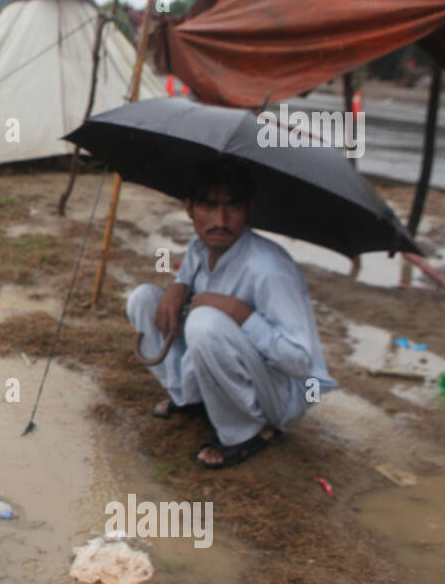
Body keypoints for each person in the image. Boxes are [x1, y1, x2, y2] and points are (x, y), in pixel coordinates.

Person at [126, 157, 336, 469]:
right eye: (208, 206)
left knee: (204, 323)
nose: (220, 220)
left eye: (233, 207)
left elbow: (301, 362)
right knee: (143, 298)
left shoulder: (269, 269)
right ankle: (190, 399)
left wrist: (240, 313)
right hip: (238, 363)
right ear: (189, 209)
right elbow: (189, 271)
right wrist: (178, 284)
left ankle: (247, 432)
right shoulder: (201, 247)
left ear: (249, 211)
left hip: (282, 391)